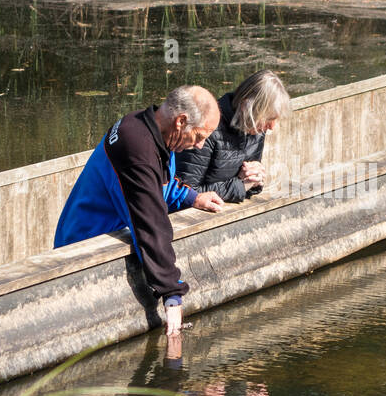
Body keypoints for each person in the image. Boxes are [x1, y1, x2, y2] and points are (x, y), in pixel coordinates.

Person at [54, 85, 224, 335]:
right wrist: (172, 293)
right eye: (199, 136)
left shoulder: (150, 129)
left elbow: (160, 183)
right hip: (82, 247)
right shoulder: (135, 146)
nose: (200, 146)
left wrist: (191, 197)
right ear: (181, 121)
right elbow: (151, 225)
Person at [176, 70, 291, 203]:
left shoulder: (255, 128)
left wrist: (255, 178)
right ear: (246, 107)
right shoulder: (208, 129)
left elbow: (249, 180)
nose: (271, 127)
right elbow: (186, 192)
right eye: (269, 118)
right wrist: (241, 185)